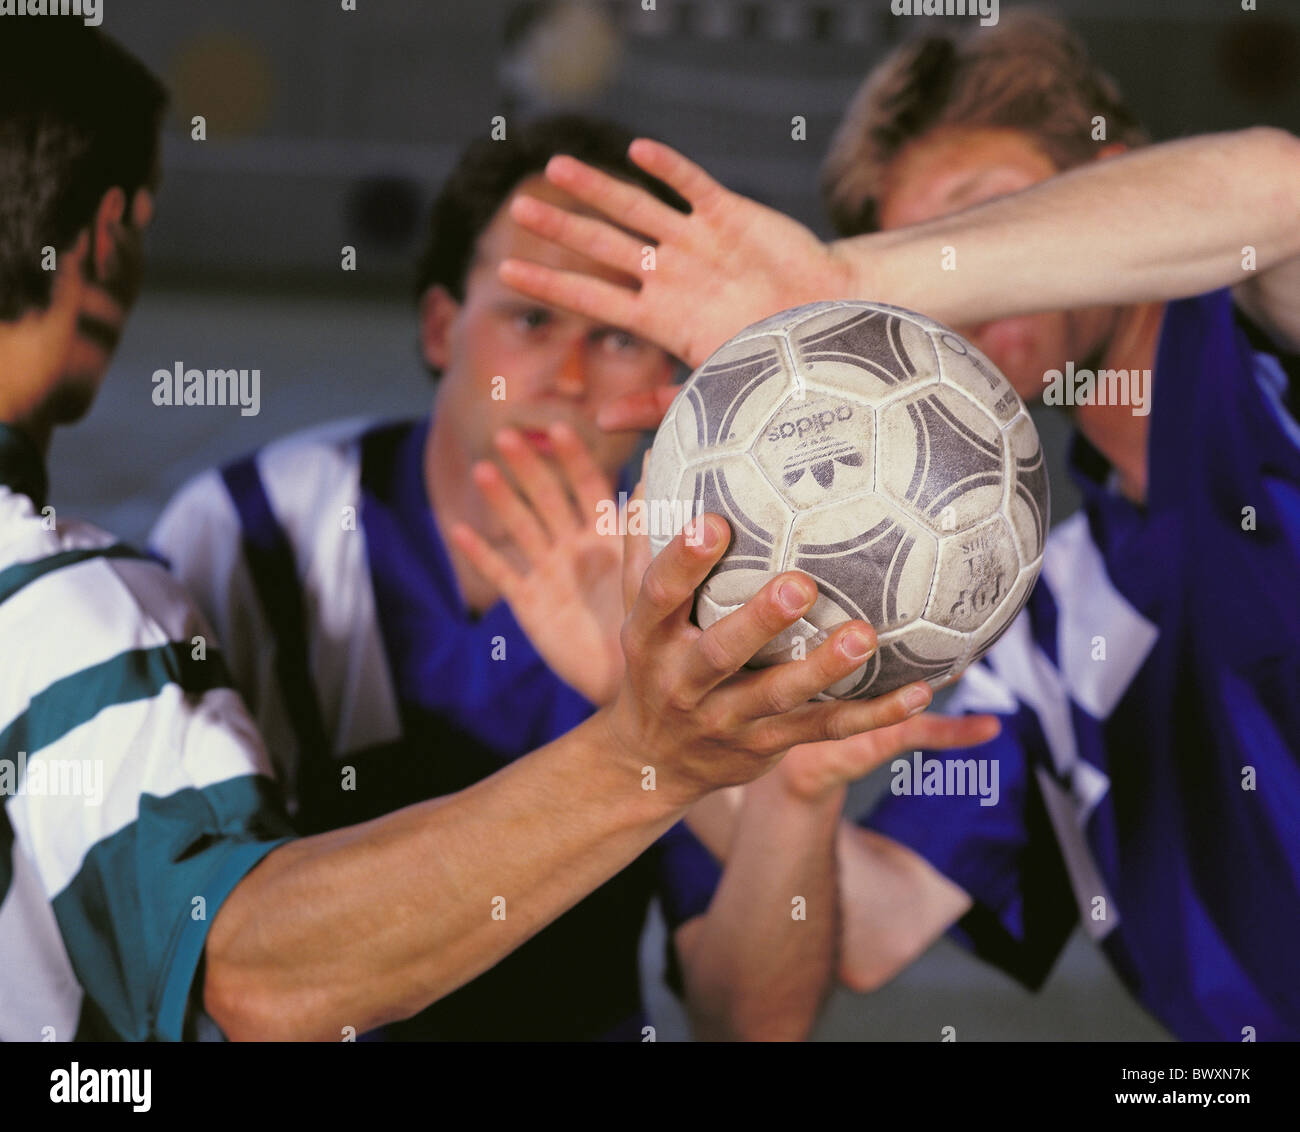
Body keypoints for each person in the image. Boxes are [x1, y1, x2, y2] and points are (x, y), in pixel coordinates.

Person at [0, 25, 951, 1044]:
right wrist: (646, 754)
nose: (572, 374)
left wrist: (790, 802)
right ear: (443, 328)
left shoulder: (715, 588)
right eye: (533, 319)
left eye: (621, 333)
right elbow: (233, 962)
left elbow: (751, 1021)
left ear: (675, 373)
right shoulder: (247, 531)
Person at [495, 13, 1300, 1039]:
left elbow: (1278, 191)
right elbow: (865, 924)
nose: (948, 302)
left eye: (974, 222)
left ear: (1113, 171)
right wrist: (658, 712)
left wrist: (854, 282)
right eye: (923, 287)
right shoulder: (1033, 612)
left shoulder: (1272, 361)